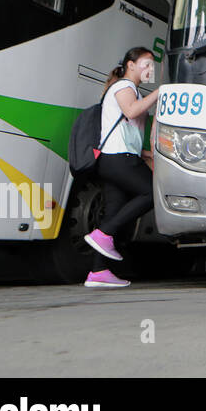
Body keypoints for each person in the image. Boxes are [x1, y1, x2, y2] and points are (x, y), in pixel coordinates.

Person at [82, 47, 160, 288]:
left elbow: (129, 135)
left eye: (152, 65)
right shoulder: (123, 87)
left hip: (117, 159)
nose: (150, 69)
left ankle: (98, 272)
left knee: (114, 213)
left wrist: (149, 154)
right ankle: (103, 234)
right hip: (118, 159)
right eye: (146, 63)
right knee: (149, 192)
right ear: (130, 65)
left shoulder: (133, 90)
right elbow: (131, 111)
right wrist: (159, 92)